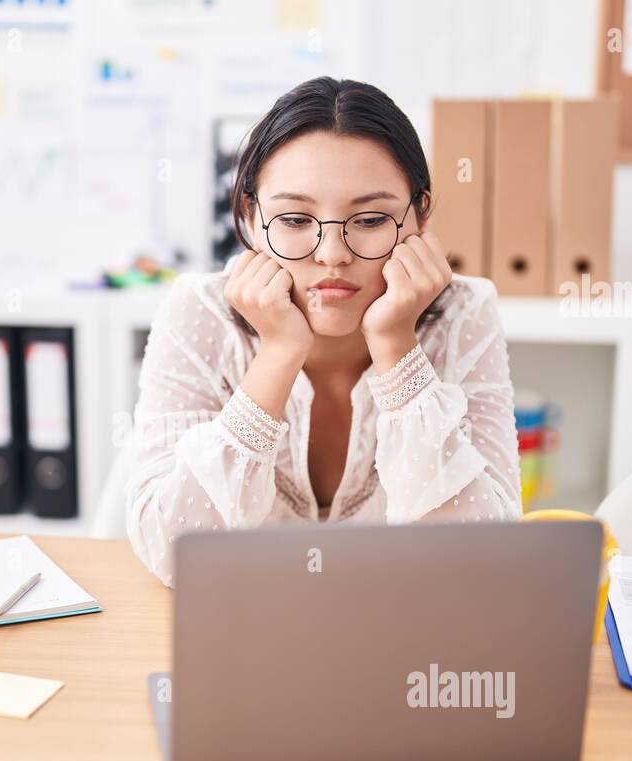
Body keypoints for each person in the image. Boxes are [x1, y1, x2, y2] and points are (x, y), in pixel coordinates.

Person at [126, 76, 522, 587]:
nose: (332, 253)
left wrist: (397, 348)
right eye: (294, 219)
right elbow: (174, 557)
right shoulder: (197, 312)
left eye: (371, 219)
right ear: (249, 217)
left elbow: (484, 562)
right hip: (246, 632)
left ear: (420, 217)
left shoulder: (466, 312)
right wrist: (278, 354)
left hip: (402, 641)